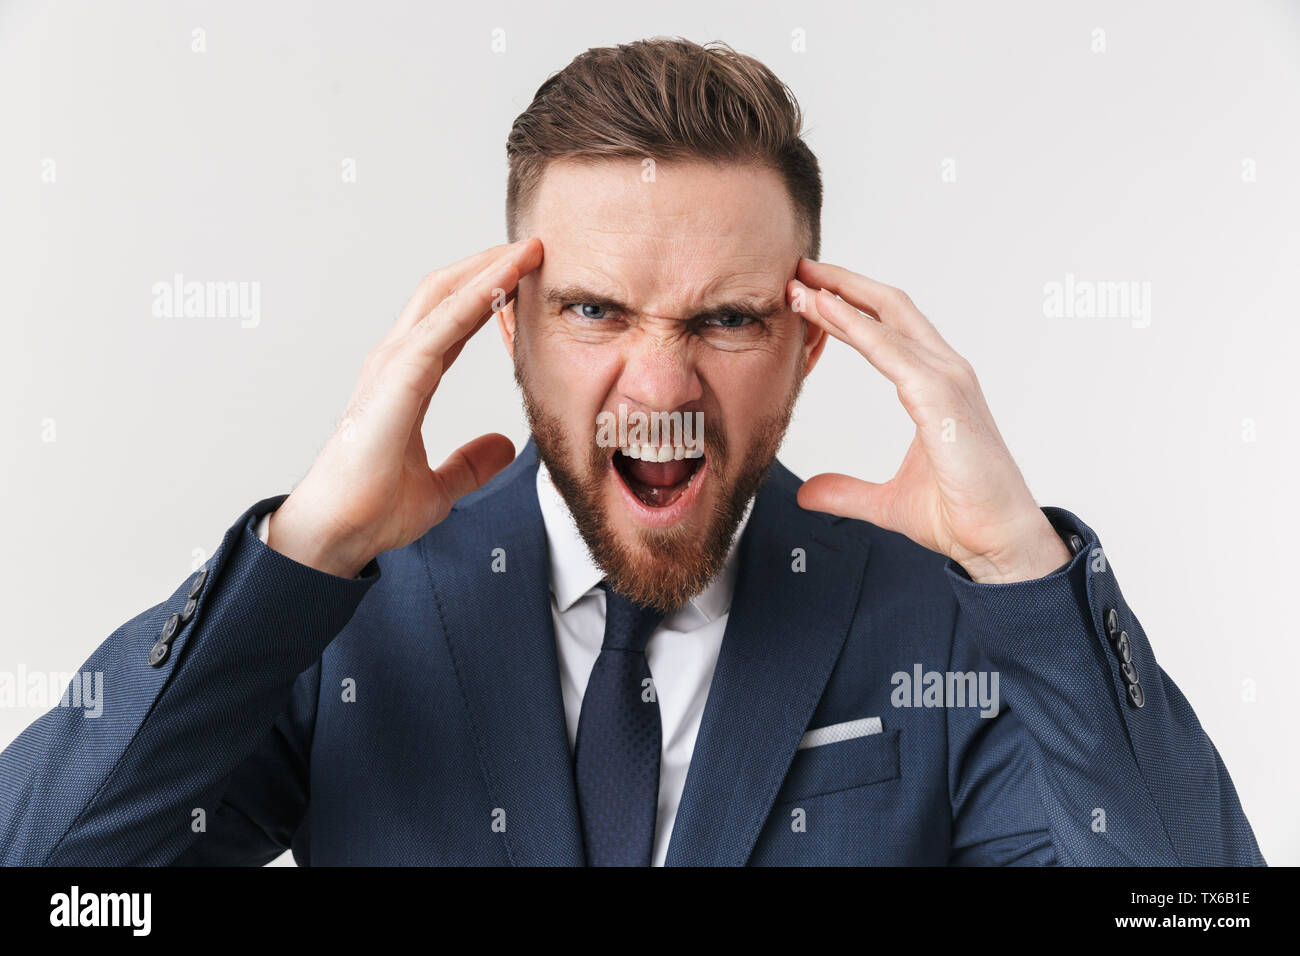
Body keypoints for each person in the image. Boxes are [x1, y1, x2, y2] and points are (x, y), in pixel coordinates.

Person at [0, 37, 1263, 866]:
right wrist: (307, 549)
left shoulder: (933, 624)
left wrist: (1023, 575)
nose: (661, 384)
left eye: (726, 319)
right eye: (595, 309)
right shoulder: (344, 615)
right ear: (509, 328)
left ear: (809, 345)